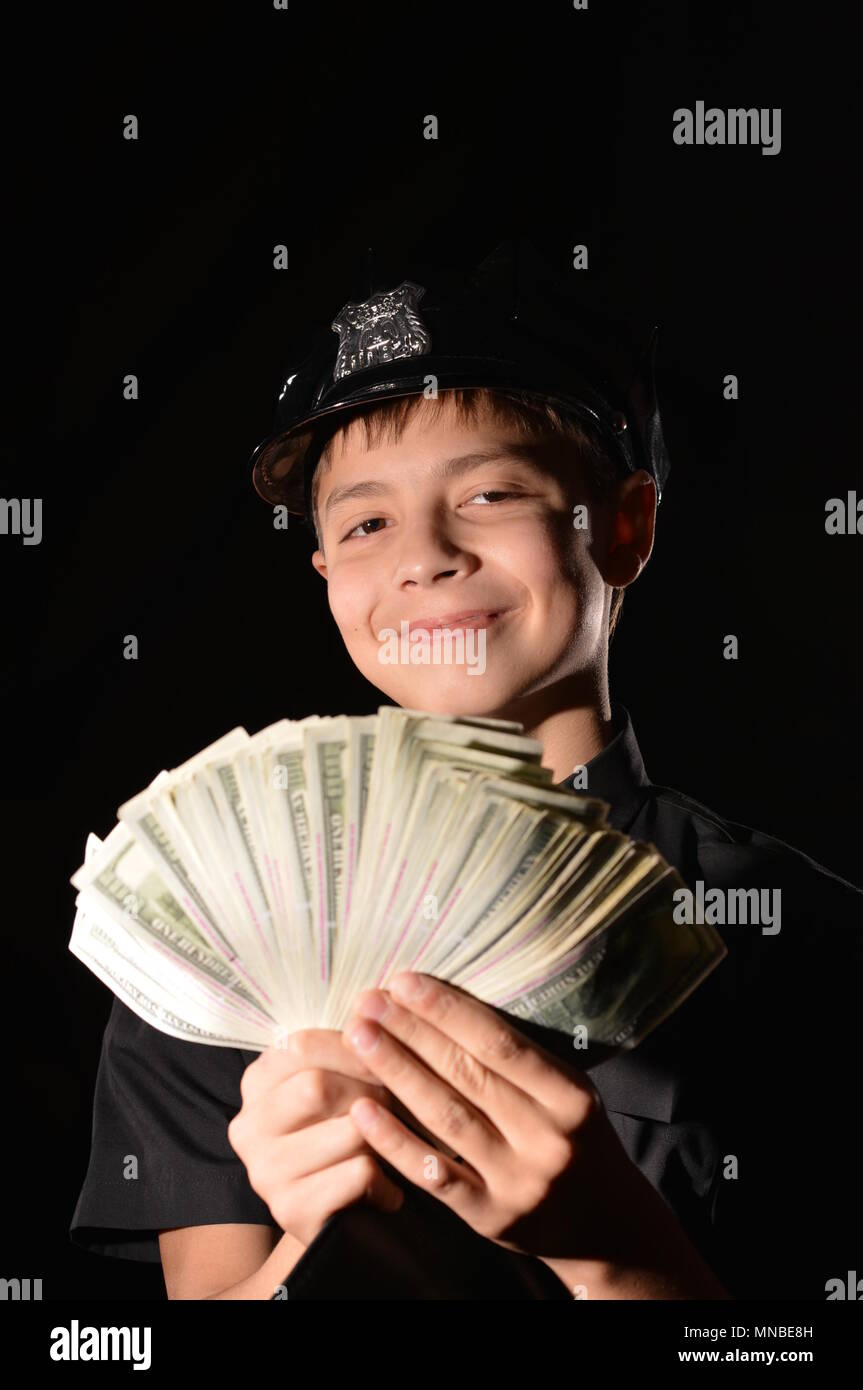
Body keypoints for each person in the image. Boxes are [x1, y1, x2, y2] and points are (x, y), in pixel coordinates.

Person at [70, 240, 862, 1299]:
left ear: (624, 528)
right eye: (363, 522)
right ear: (324, 575)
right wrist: (316, 1239)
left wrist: (613, 1247)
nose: (422, 553)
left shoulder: (805, 941)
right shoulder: (210, 944)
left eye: (488, 493)